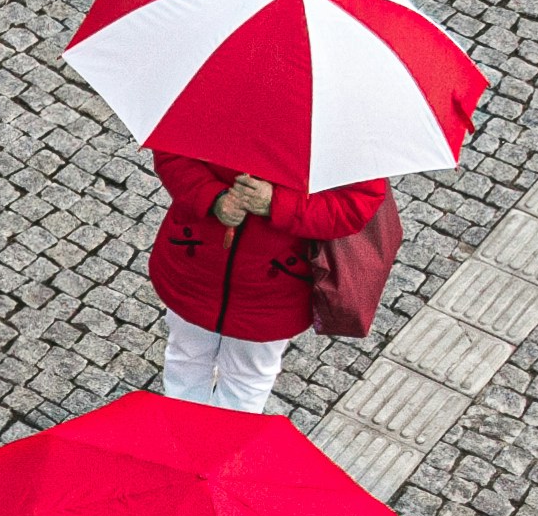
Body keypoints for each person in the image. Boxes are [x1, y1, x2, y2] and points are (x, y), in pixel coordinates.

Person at [147, 151, 394, 412]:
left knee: (247, 379)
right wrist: (213, 198)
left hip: (274, 291)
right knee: (185, 357)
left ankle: (222, 448)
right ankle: (176, 438)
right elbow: (171, 154)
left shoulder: (345, 132)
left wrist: (276, 203)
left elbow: (354, 205)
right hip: (194, 268)